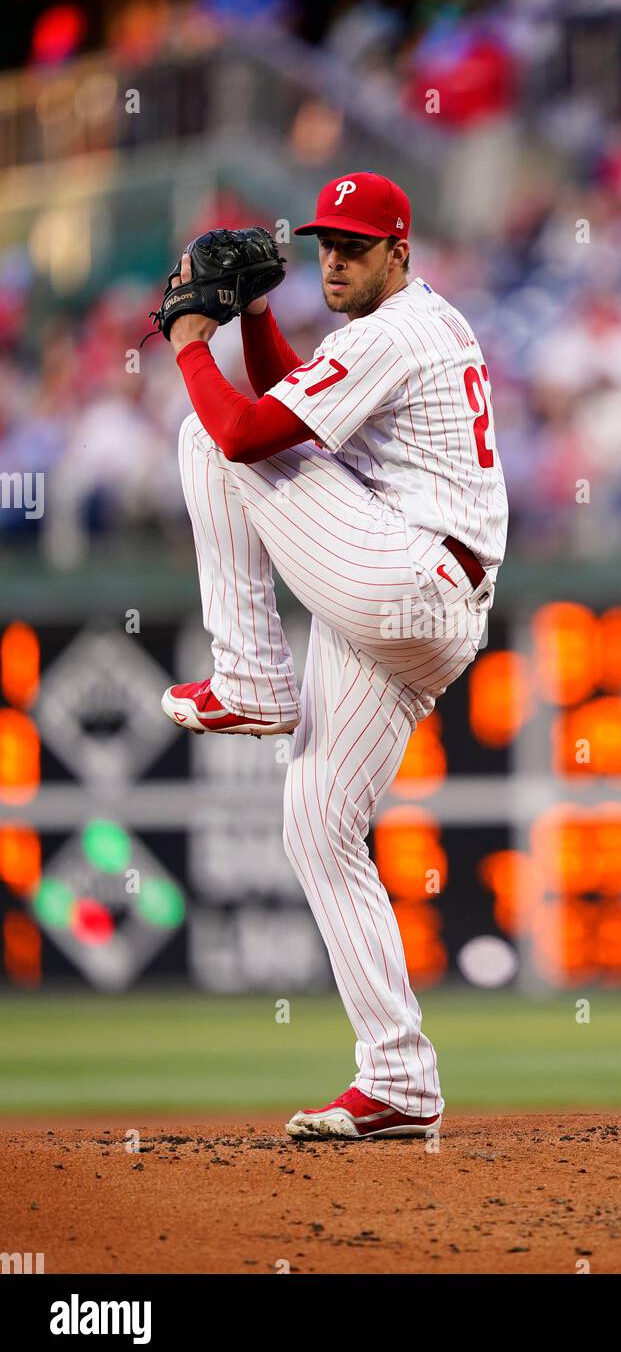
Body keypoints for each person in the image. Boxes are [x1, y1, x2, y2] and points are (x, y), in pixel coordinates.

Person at [163, 171, 508, 1138]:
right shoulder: (411, 328)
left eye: (357, 244)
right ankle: (399, 1081)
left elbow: (244, 433)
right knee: (318, 826)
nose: (337, 259)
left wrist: (193, 343)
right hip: (413, 604)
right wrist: (258, 316)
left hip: (407, 581)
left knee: (203, 437)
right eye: (326, 243)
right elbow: (293, 413)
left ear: (402, 251)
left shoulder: (395, 332)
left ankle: (250, 677)